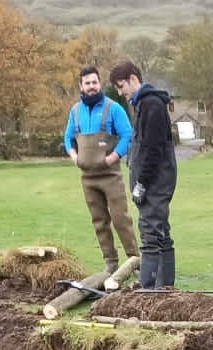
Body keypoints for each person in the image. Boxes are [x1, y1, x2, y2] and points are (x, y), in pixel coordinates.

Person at [63, 65, 139, 275]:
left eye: (95, 82)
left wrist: (114, 157)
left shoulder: (113, 108)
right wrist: (74, 157)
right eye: (87, 83)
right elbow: (67, 138)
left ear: (100, 84)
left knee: (120, 219)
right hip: (87, 178)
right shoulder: (75, 111)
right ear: (81, 86)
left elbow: (128, 135)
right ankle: (110, 264)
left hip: (110, 176)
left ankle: (134, 263)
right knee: (99, 221)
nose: (91, 86)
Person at [110, 61, 177, 291]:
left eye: (121, 86)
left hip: (156, 182)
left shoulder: (152, 104)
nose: (120, 93)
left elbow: (153, 149)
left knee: (150, 234)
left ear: (133, 79)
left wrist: (141, 183)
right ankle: (164, 288)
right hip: (152, 182)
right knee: (160, 232)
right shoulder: (142, 104)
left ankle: (148, 291)